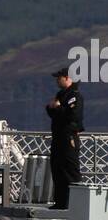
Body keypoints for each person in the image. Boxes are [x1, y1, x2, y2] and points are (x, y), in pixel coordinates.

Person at [46, 67, 84, 209]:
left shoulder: (75, 96)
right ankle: (60, 202)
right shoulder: (61, 95)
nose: (57, 80)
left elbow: (73, 117)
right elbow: (54, 113)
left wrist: (59, 108)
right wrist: (52, 108)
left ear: (68, 78)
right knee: (57, 169)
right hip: (58, 137)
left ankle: (75, 204)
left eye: (59, 77)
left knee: (70, 170)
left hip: (69, 138)